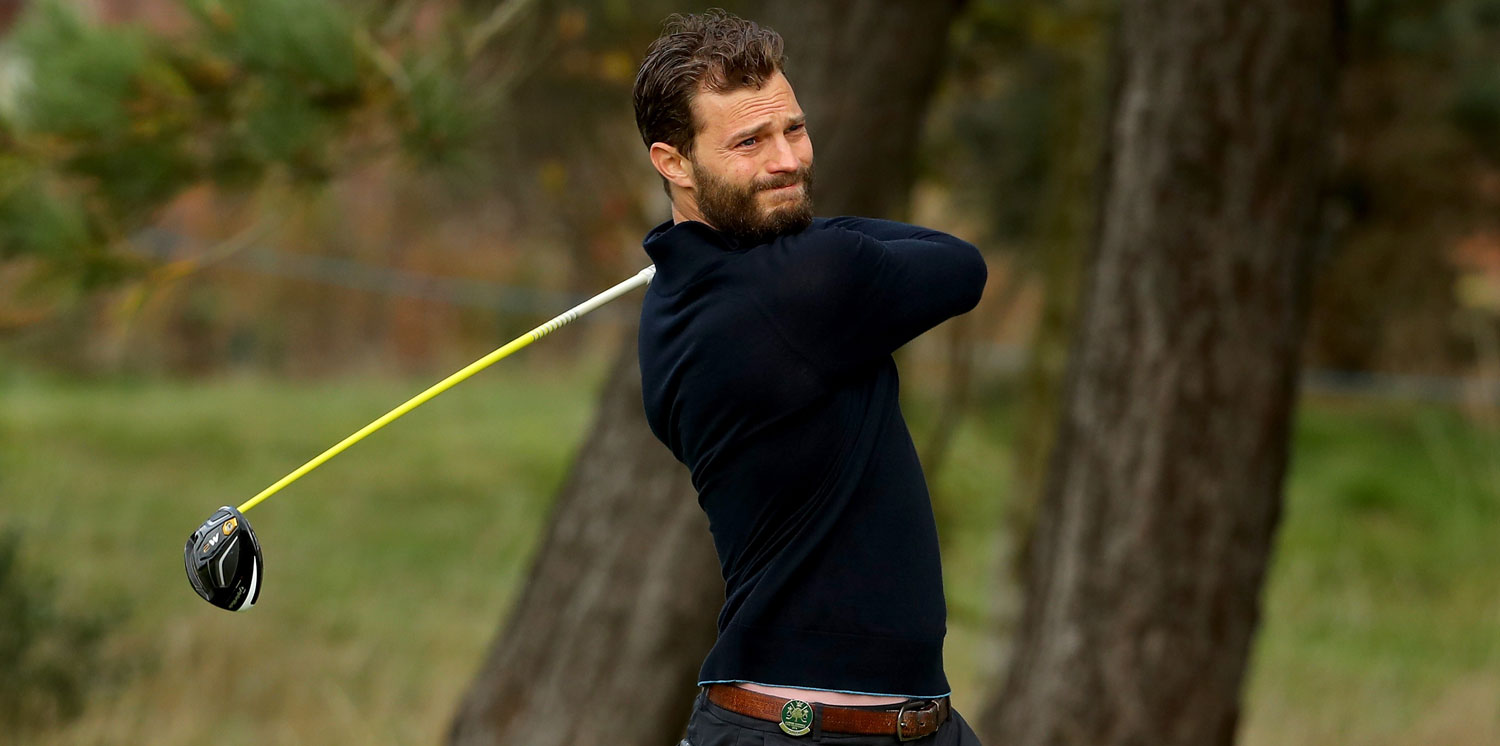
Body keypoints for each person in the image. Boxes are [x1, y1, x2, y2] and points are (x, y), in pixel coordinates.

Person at [632, 10, 987, 745]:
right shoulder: (802, 288)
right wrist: (801, 234)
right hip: (812, 731)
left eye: (793, 129)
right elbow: (959, 264)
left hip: (892, 723)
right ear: (672, 162)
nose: (787, 160)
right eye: (749, 142)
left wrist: (773, 227)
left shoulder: (672, 313)